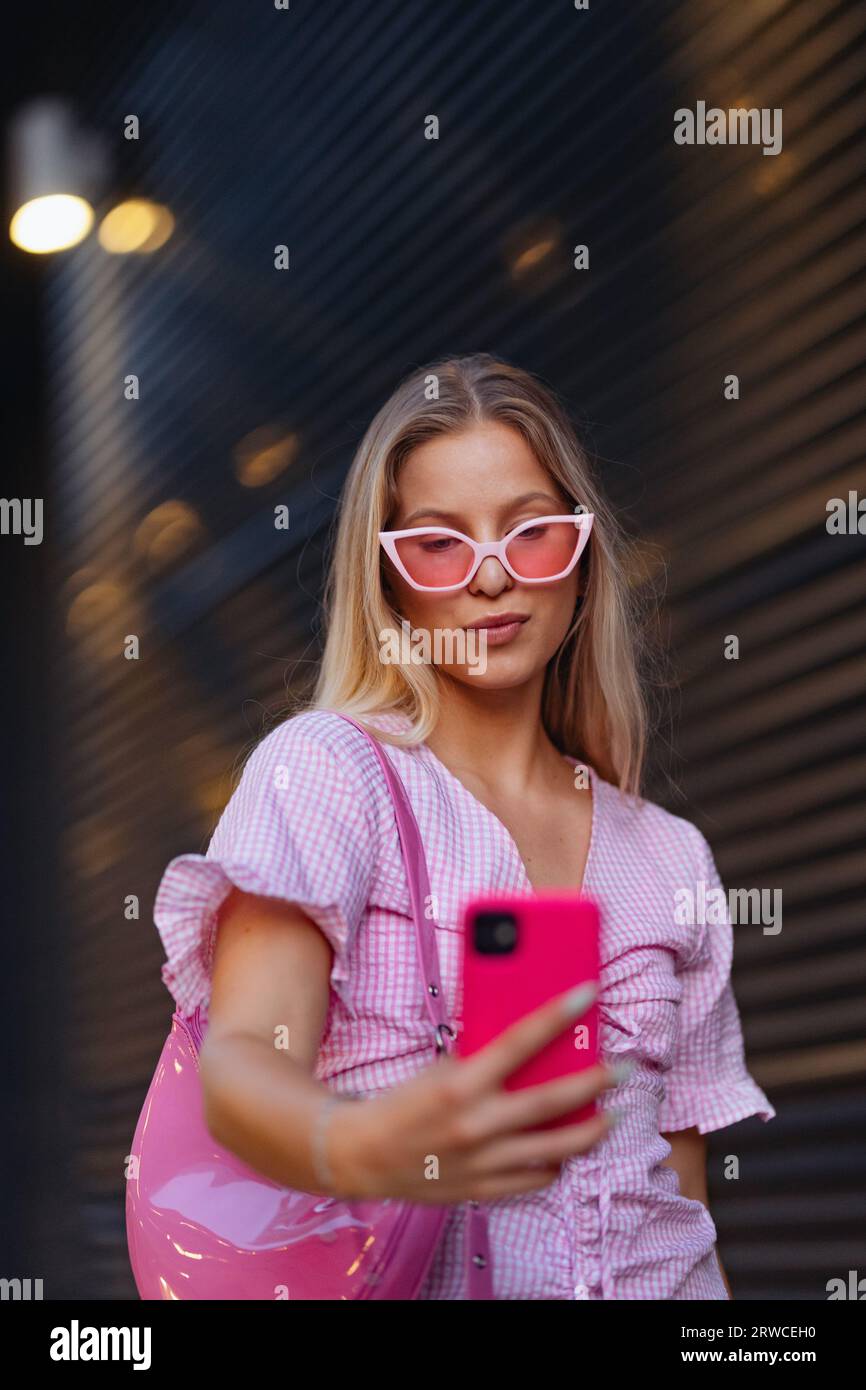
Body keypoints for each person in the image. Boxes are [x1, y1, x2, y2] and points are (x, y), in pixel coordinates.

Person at [154, 352, 775, 1299]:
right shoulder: (326, 772)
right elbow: (241, 1065)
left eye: (530, 533)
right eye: (438, 543)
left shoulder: (670, 854)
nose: (491, 578)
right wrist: (354, 1139)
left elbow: (682, 1200)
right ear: (390, 580)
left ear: (581, 558)